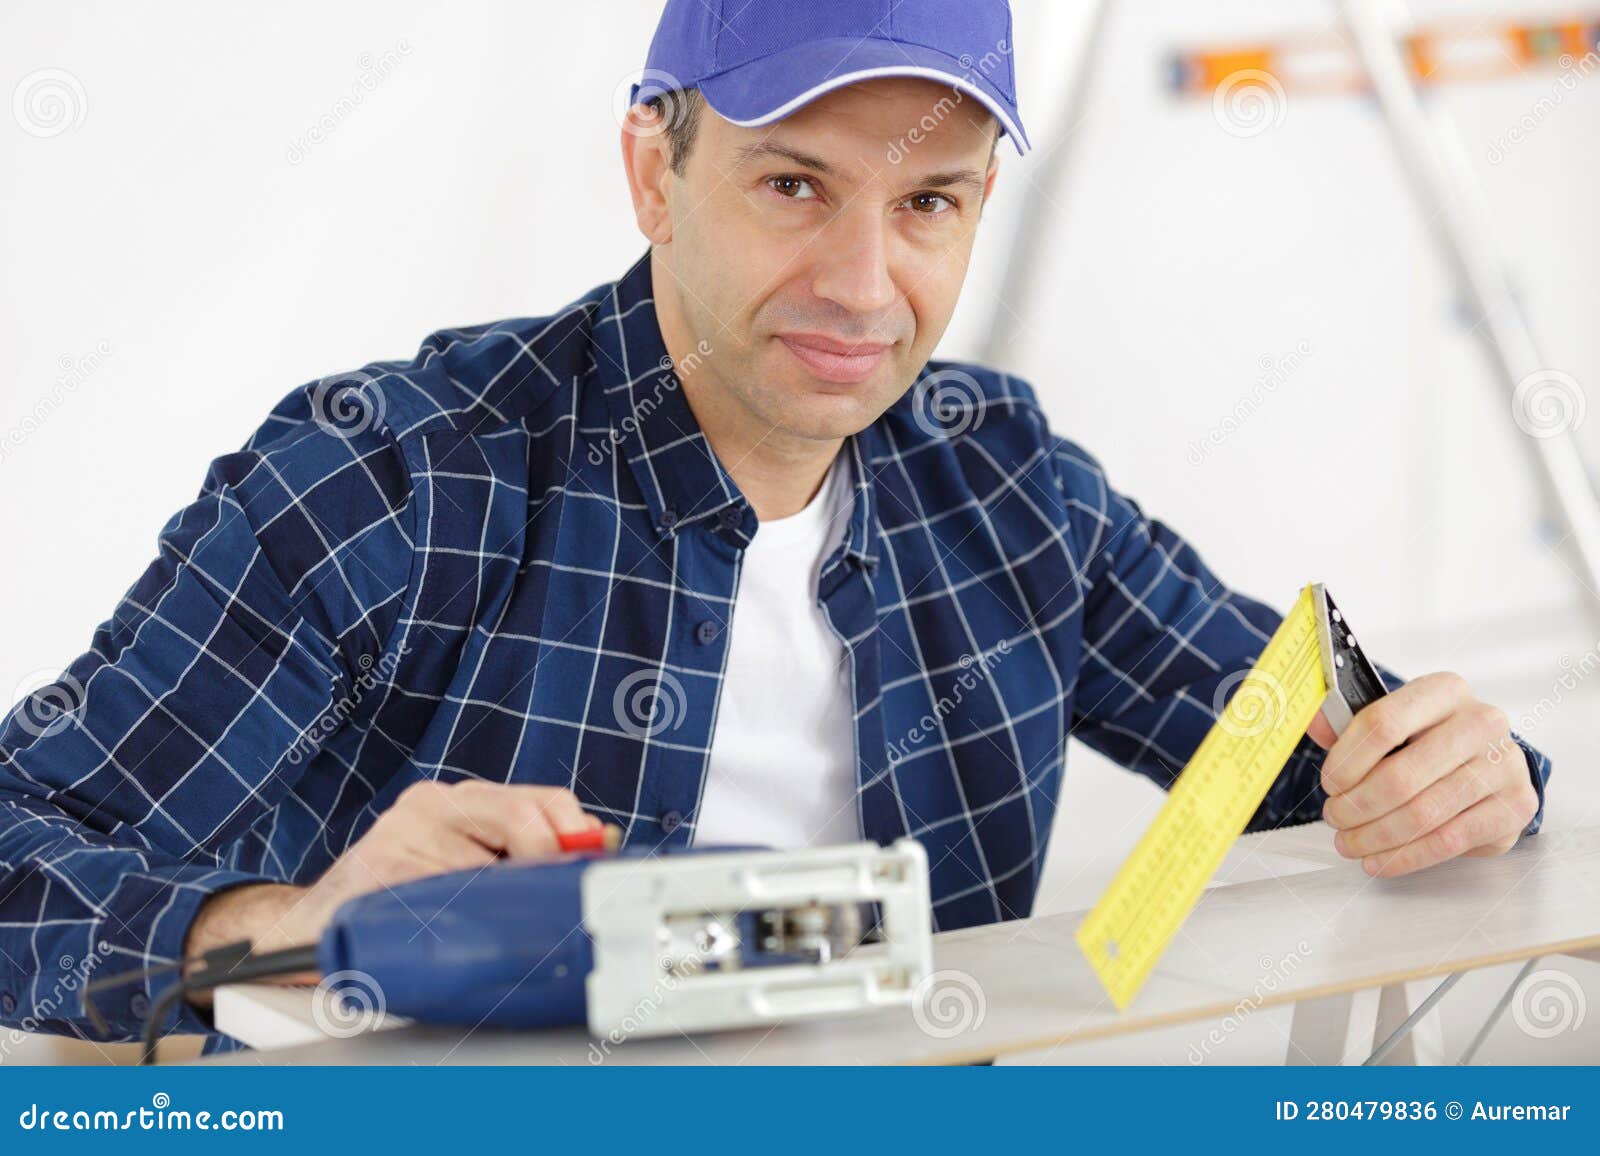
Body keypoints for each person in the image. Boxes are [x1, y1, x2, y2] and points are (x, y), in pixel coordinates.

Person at [0, 0, 1548, 1051]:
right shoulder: (393, 479)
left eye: (929, 201)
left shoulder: (1005, 486)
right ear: (652, 170)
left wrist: (1465, 778)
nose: (867, 288)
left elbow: (1315, 761)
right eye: (796, 186)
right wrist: (292, 925)